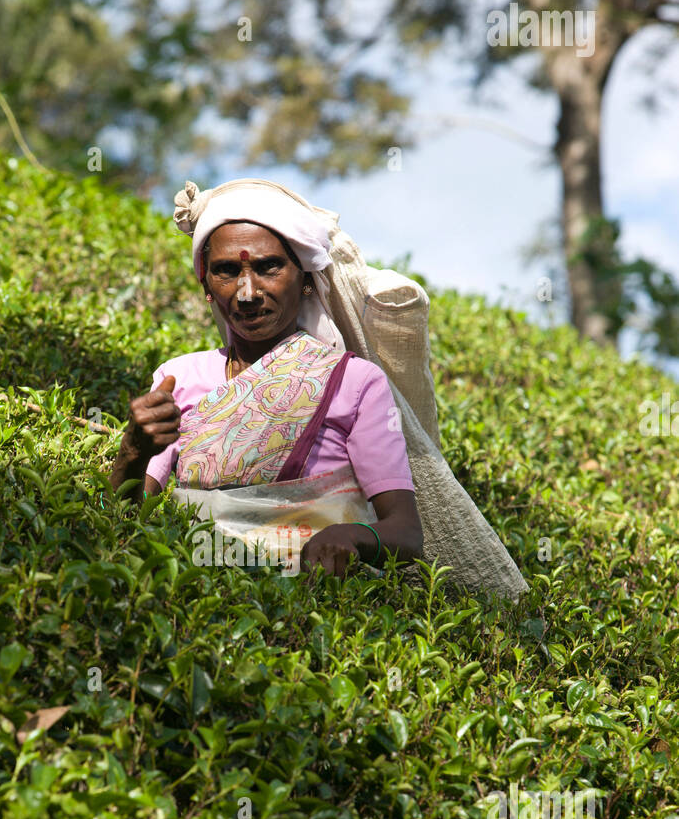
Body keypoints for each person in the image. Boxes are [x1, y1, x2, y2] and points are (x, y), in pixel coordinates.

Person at [110, 178, 528, 597]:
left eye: (269, 266)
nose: (248, 292)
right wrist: (134, 449)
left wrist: (354, 537)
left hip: (314, 601)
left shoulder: (354, 381)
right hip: (191, 591)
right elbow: (123, 521)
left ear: (306, 279)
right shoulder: (179, 378)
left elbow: (405, 532)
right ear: (206, 286)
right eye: (226, 270)